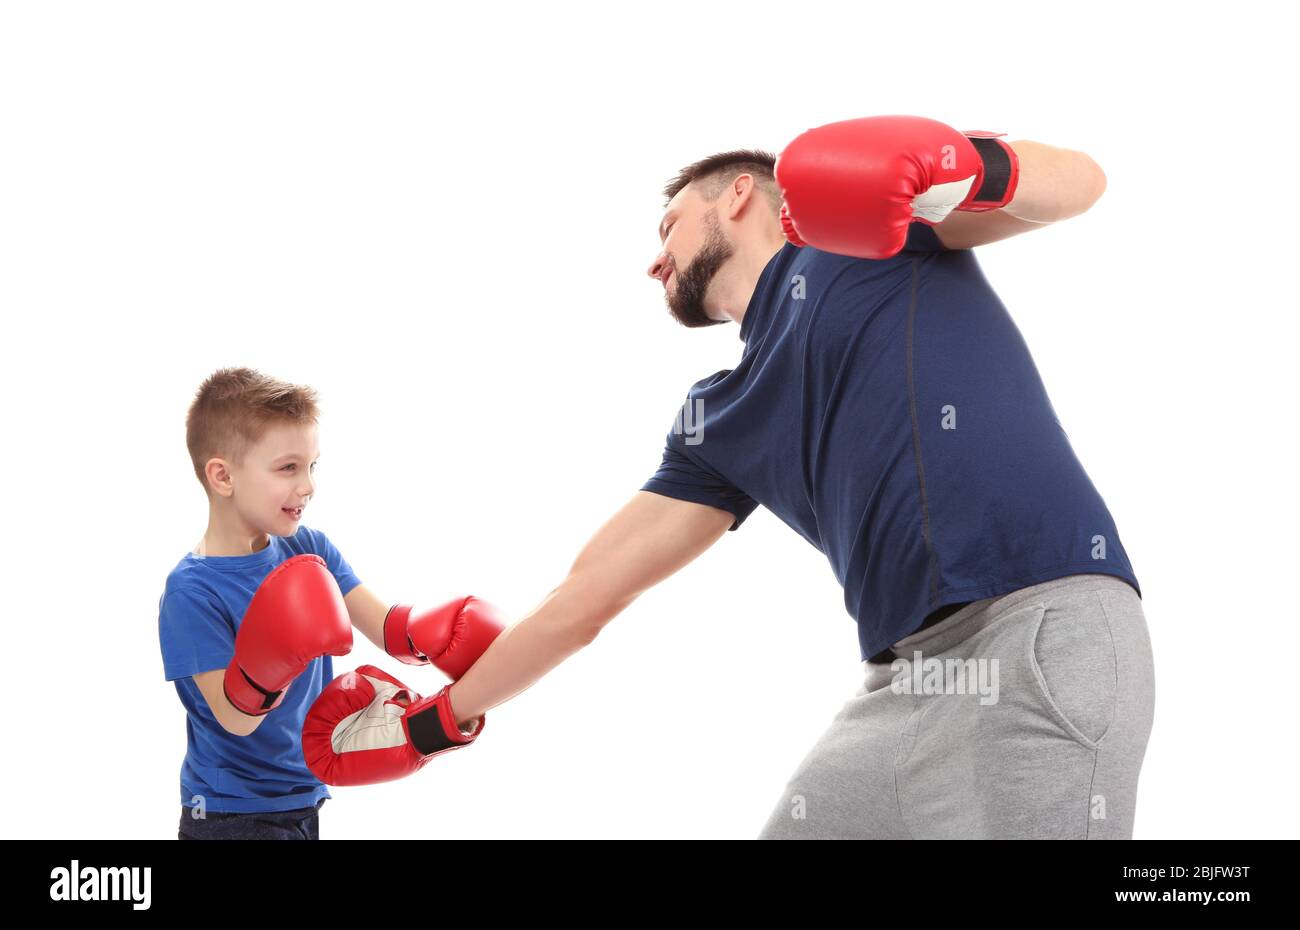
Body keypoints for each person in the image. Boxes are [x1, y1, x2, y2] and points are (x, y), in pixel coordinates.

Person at [439, 115, 1155, 839]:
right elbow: (583, 599)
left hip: (1035, 629)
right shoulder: (717, 419)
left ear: (739, 195)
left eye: (670, 226)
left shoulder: (863, 232)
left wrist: (957, 168)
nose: (656, 262)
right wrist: (436, 722)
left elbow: (1080, 182)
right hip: (903, 683)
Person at [158, 367, 501, 839]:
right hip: (227, 813)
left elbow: (385, 628)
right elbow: (234, 718)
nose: (308, 485)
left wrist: (441, 631)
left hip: (305, 798)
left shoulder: (310, 550)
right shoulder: (192, 591)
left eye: (312, 465)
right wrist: (275, 655)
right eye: (287, 468)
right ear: (223, 476)